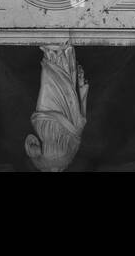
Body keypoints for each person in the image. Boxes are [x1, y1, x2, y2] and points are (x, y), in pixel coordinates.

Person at [24, 43, 88, 171]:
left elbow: (31, 145)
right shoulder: (68, 160)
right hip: (66, 118)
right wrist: (82, 93)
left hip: (45, 120)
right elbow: (78, 132)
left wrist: (33, 149)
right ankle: (61, 54)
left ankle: (51, 53)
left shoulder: (40, 164)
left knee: (47, 79)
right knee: (63, 84)